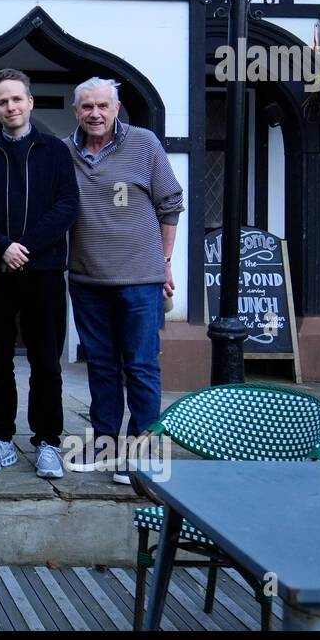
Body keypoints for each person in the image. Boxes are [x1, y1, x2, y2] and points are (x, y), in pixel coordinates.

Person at [0, 69, 79, 479]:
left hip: (44, 271)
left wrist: (25, 247)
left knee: (47, 360)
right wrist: (3, 246)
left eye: (16, 99)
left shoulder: (55, 151)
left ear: (30, 102)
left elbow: (67, 206)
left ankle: (48, 441)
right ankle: (0, 438)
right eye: (2, 101)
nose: (10, 107)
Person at [65, 78, 183, 483]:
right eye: (86, 107)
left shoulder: (145, 143)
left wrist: (165, 262)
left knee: (141, 367)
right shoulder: (66, 152)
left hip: (139, 279)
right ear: (75, 111)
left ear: (116, 109)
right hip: (86, 278)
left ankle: (142, 452)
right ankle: (104, 447)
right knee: (100, 366)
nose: (94, 113)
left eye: (102, 106)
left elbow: (171, 205)